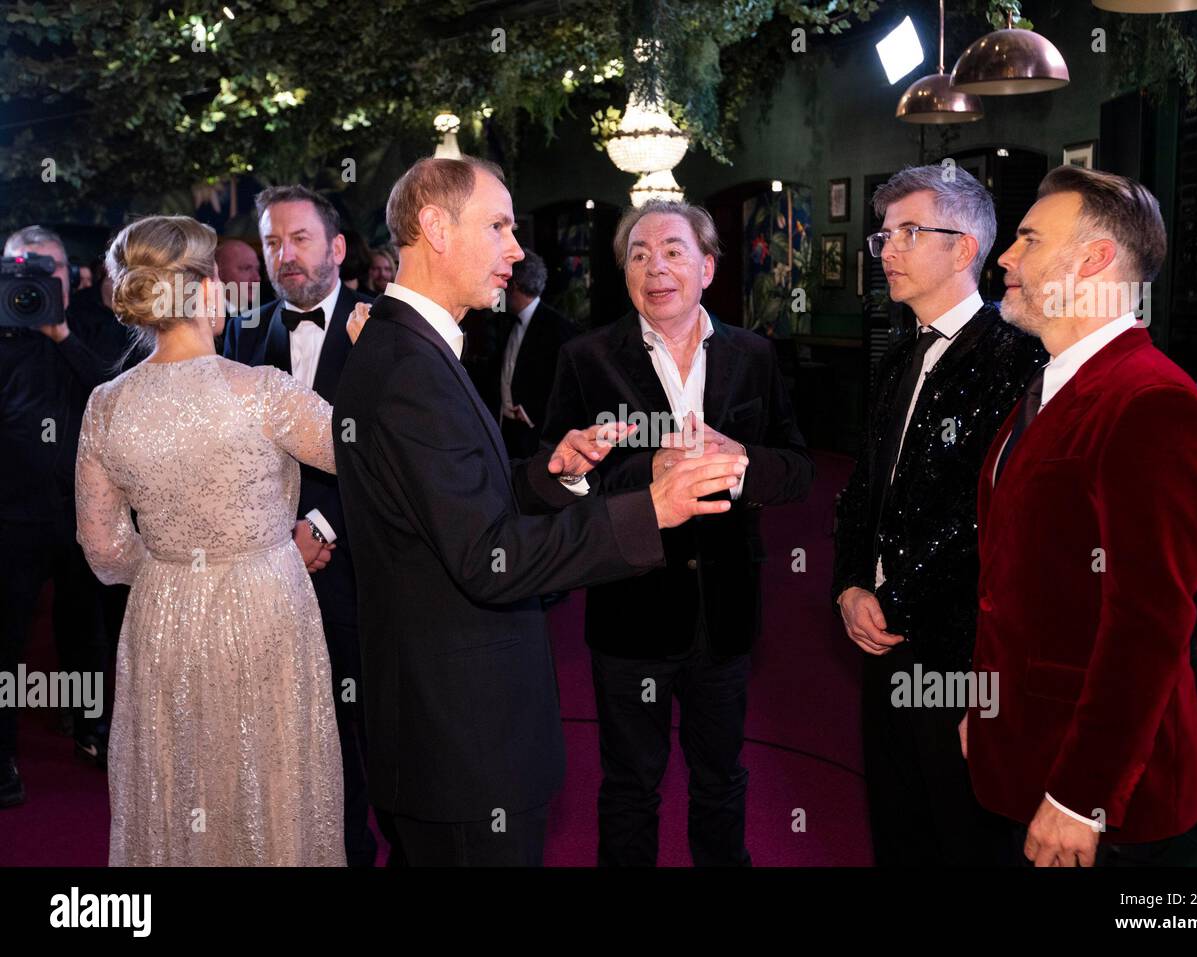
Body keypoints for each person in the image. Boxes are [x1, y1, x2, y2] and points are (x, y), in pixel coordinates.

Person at [332, 156, 749, 867]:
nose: (518, 249)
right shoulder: (409, 368)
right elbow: (486, 559)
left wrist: (549, 478)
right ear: (435, 227)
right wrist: (648, 509)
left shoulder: (411, 347)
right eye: (498, 225)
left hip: (448, 726)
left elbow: (455, 506)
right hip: (460, 736)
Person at [75, 214, 367, 865]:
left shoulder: (106, 405)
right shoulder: (264, 392)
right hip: (265, 607)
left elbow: (102, 550)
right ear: (205, 291)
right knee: (270, 787)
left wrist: (171, 569)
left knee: (177, 789)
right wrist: (379, 357)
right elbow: (368, 453)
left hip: (162, 615)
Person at [963, 166, 1197, 866]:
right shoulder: (1053, 382)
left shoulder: (1150, 403)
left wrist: (1084, 795)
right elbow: (1014, 584)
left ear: (1094, 259)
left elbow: (1147, 626)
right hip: (1024, 749)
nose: (1004, 258)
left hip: (1110, 805)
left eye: (1026, 238)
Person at [541, 198, 813, 866]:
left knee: (722, 779)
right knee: (631, 786)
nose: (654, 266)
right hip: (629, 613)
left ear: (708, 266)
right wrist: (649, 470)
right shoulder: (585, 359)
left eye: (671, 250)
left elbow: (800, 468)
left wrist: (741, 462)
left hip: (724, 615)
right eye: (638, 254)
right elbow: (557, 480)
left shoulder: (754, 356)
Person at [832, 166, 1045, 866]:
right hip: (881, 635)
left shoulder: (1016, 356)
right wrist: (847, 584)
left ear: (963, 248)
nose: (887, 248)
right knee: (896, 823)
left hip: (961, 647)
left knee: (964, 833)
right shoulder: (898, 356)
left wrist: (890, 597)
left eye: (908, 232)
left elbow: (984, 517)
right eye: (884, 234)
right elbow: (865, 486)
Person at [222, 185, 377, 866]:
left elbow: (389, 446)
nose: (284, 254)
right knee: (275, 725)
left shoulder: (383, 329)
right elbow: (230, 449)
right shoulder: (239, 329)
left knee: (357, 722)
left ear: (337, 248)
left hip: (359, 565)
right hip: (262, 560)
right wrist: (276, 529)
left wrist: (321, 522)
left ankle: (356, 848)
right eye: (272, 241)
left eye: (300, 238)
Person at [1, 225, 114, 807]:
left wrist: (62, 333)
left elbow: (116, 397)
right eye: (23, 271)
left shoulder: (94, 327)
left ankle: (93, 732)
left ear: (71, 275)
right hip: (11, 518)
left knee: (85, 635)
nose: (35, 283)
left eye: (48, 271)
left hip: (84, 512)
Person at [488, 247, 579, 459]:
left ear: (514, 285)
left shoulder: (559, 329)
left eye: (503, 280)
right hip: (505, 430)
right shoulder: (505, 320)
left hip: (537, 436)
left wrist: (530, 414)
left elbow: (567, 387)